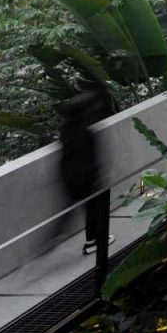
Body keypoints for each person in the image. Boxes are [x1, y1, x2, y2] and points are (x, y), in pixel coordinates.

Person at [56, 88, 110, 258]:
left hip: (70, 179)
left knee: (83, 211)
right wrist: (97, 178)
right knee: (95, 210)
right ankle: (93, 242)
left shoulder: (66, 130)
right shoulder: (87, 134)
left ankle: (58, 237)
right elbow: (91, 159)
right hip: (85, 180)